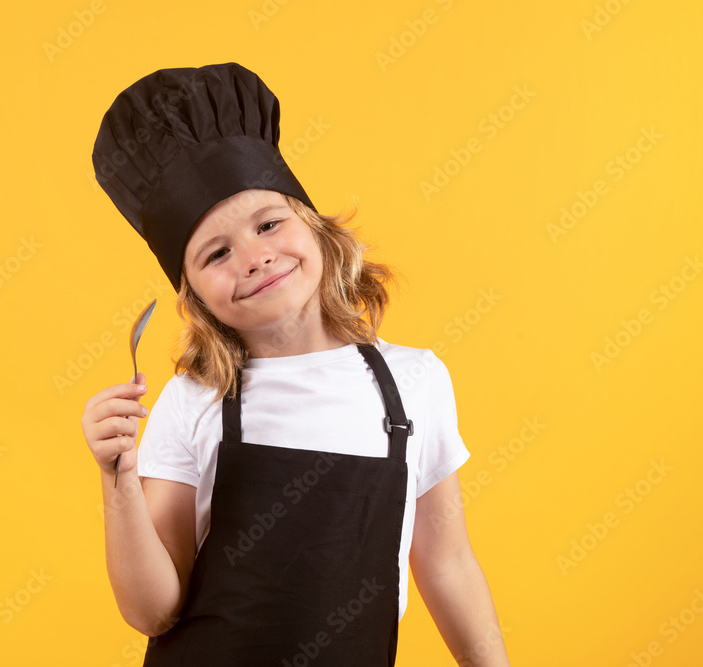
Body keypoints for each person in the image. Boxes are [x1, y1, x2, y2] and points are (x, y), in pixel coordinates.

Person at [82, 62, 510, 666]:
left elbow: (447, 564)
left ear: (315, 228)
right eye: (217, 253)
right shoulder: (193, 398)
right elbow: (153, 611)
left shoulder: (415, 383)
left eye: (269, 223)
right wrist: (117, 477)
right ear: (194, 294)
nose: (254, 257)